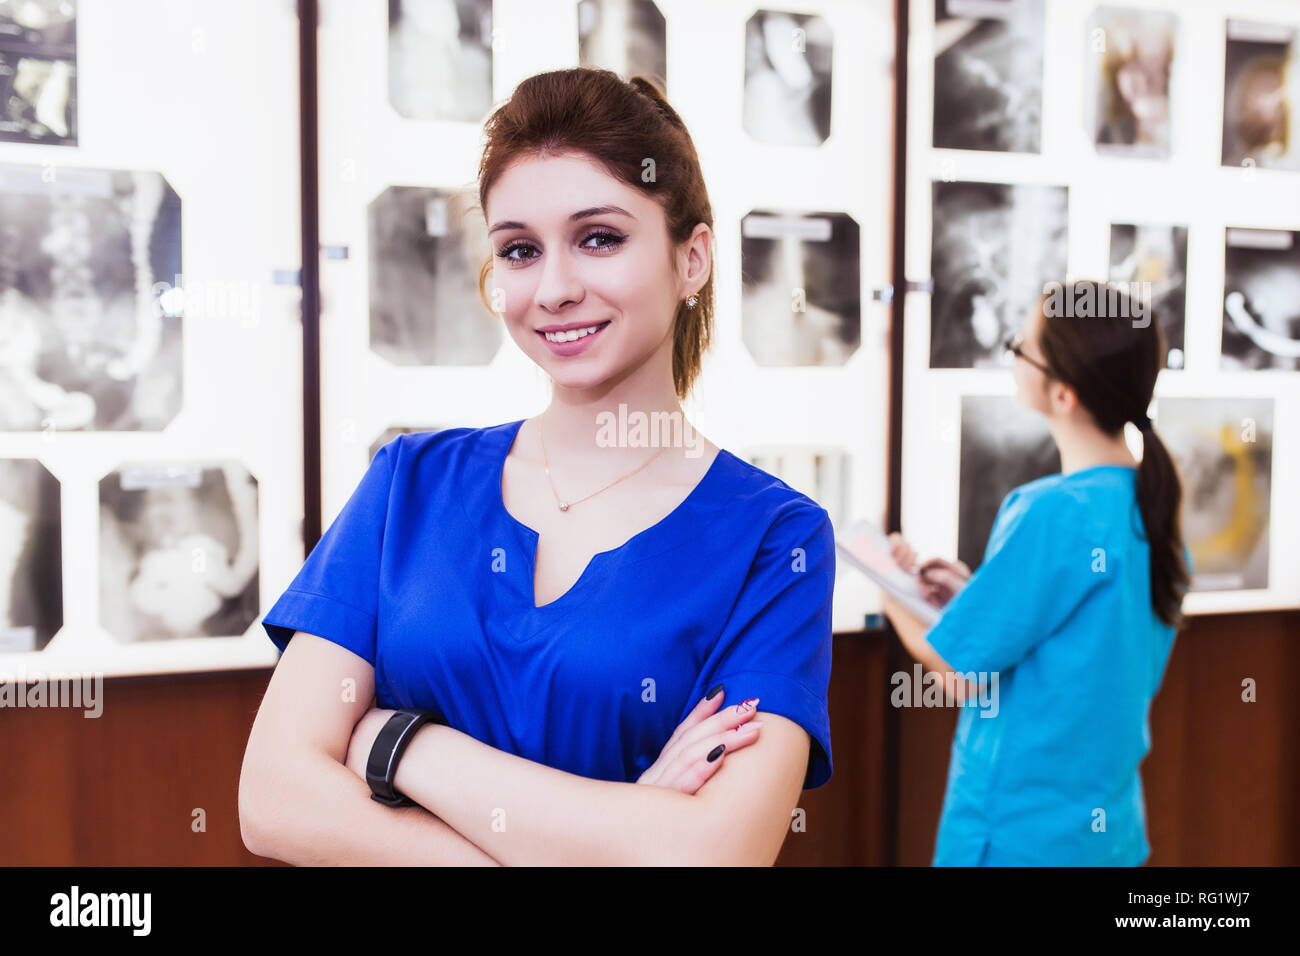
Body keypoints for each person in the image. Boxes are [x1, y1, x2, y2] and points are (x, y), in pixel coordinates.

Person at [238, 68, 835, 867]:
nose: (553, 288)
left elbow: (713, 855)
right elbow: (272, 799)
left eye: (599, 238)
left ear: (692, 260)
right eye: (519, 250)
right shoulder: (410, 484)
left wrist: (396, 746)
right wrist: (620, 830)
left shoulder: (774, 540)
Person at [883, 279, 1192, 866]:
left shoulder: (1052, 512)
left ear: (1063, 395)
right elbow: (1074, 644)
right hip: (1106, 838)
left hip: (1017, 839)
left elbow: (955, 670)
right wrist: (976, 594)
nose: (1012, 358)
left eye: (1021, 348)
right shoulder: (1152, 509)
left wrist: (885, 584)